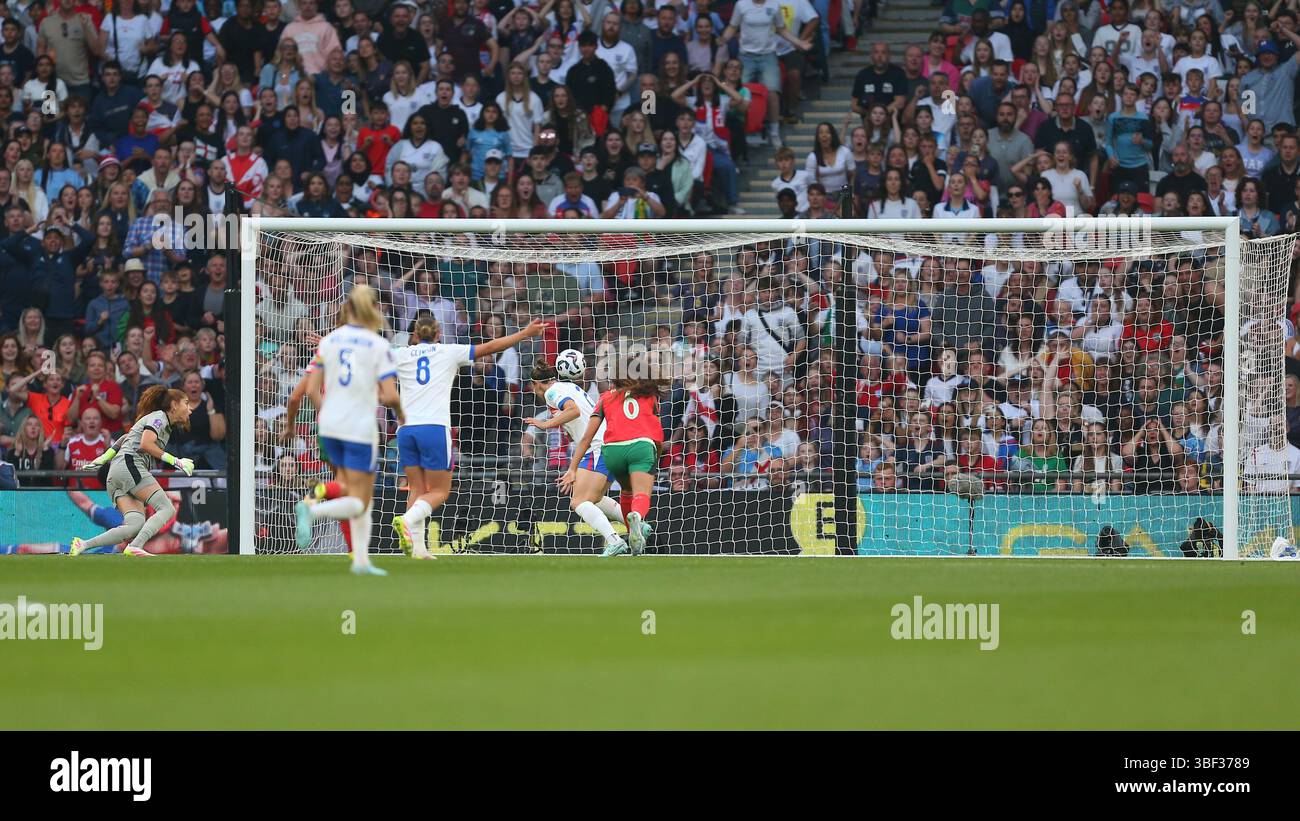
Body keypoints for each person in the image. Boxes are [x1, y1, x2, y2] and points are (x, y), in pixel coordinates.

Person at [391, 314, 545, 560]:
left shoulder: (400, 354)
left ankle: (417, 549)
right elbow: (492, 347)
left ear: (415, 335)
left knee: (418, 489)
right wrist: (524, 334)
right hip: (433, 428)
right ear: (439, 334)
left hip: (406, 430)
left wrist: (327, 343)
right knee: (441, 490)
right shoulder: (448, 351)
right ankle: (407, 520)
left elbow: (365, 355)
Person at [295, 285, 404, 576]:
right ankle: (313, 508)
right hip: (358, 426)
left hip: (329, 425)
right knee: (360, 499)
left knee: (345, 486)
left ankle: (359, 558)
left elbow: (308, 391)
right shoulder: (377, 345)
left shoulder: (329, 342)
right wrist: (402, 416)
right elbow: (391, 397)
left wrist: (324, 411)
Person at [524, 357, 652, 556]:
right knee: (595, 498)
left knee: (578, 502)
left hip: (597, 447)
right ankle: (638, 525)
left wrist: (546, 424)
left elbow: (573, 411)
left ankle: (614, 540)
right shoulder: (570, 387)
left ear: (537, 383)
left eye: (533, 387)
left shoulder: (551, 392)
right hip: (609, 443)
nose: (534, 391)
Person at [70, 385, 195, 557]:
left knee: (134, 525)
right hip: (130, 466)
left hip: (117, 474)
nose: (190, 408)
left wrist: (104, 458)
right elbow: (146, 444)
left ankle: (83, 544)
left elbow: (125, 438)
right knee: (167, 509)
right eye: (186, 403)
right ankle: (136, 546)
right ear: (174, 405)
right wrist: (176, 461)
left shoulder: (156, 421)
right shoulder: (160, 418)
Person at [561, 367, 665, 557]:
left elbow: (586, 438)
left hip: (613, 450)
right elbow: (658, 433)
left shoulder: (605, 397)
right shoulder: (649, 396)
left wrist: (572, 468)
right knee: (640, 494)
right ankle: (638, 518)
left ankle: (631, 534)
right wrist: (655, 457)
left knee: (626, 491)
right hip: (642, 446)